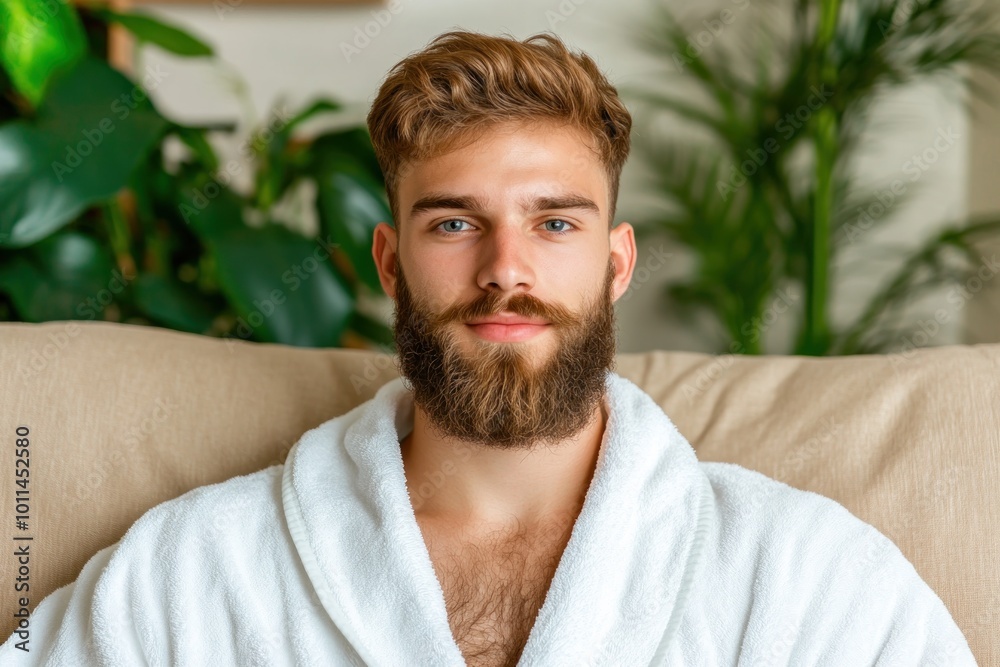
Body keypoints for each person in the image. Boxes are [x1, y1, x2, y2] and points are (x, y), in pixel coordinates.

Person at [0, 29, 976, 667]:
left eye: (554, 225)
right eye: (454, 225)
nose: (505, 269)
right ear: (389, 261)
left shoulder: (807, 581)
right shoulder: (201, 574)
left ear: (616, 262)